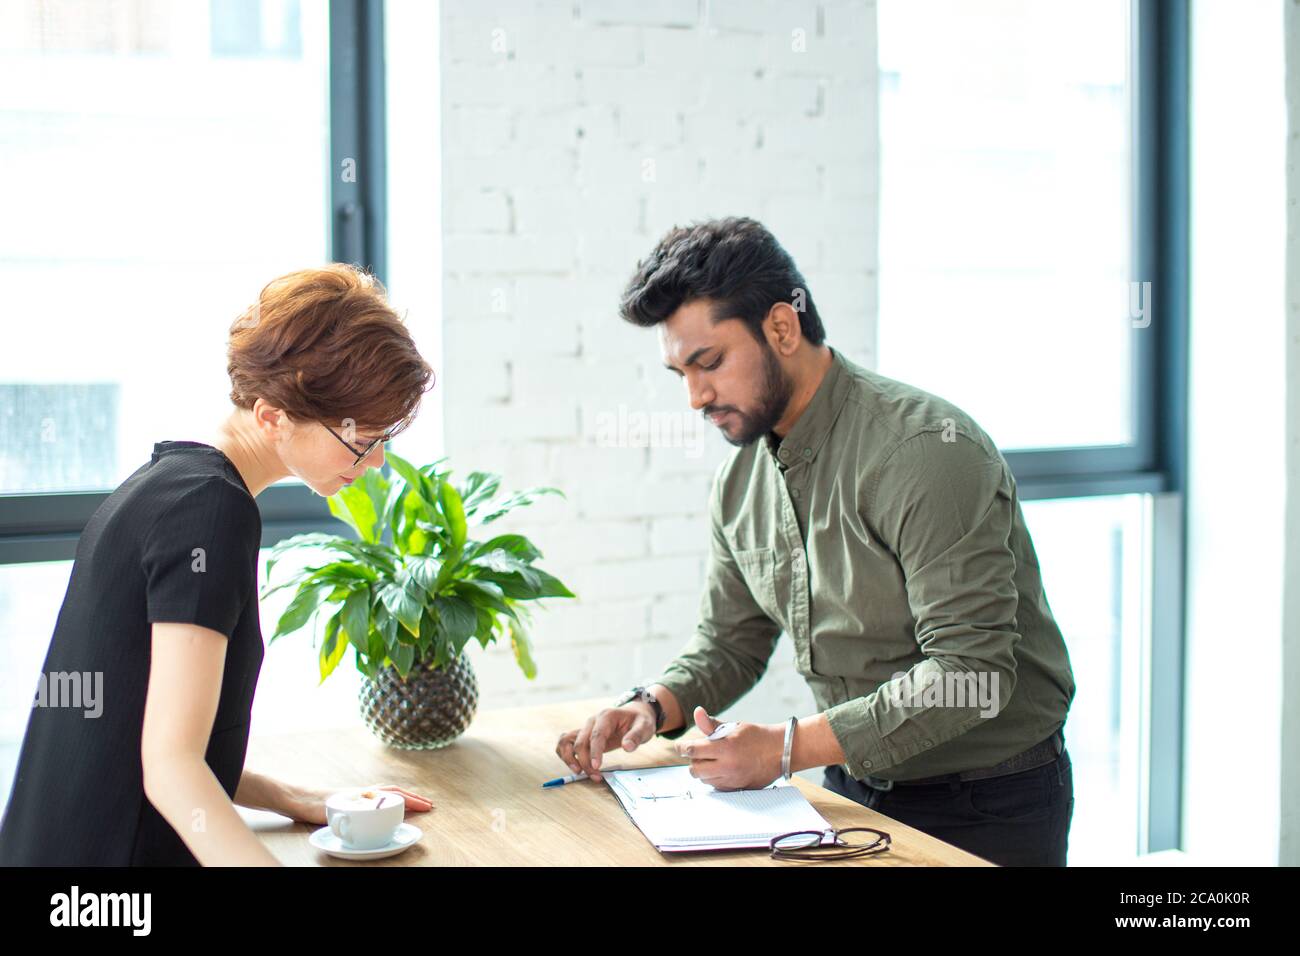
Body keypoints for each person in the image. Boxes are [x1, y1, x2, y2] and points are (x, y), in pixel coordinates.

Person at [557, 217, 1077, 866]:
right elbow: (730, 642)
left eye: (709, 362)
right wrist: (650, 705)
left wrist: (784, 748)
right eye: (679, 374)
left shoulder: (924, 451)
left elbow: (970, 674)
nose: (695, 397)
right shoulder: (741, 479)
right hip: (851, 793)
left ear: (782, 327)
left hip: (990, 804)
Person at [0, 264, 437, 865]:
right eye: (361, 438)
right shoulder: (211, 511)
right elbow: (171, 768)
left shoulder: (165, 485)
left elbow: (141, 732)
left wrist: (294, 797)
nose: (378, 459)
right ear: (272, 416)